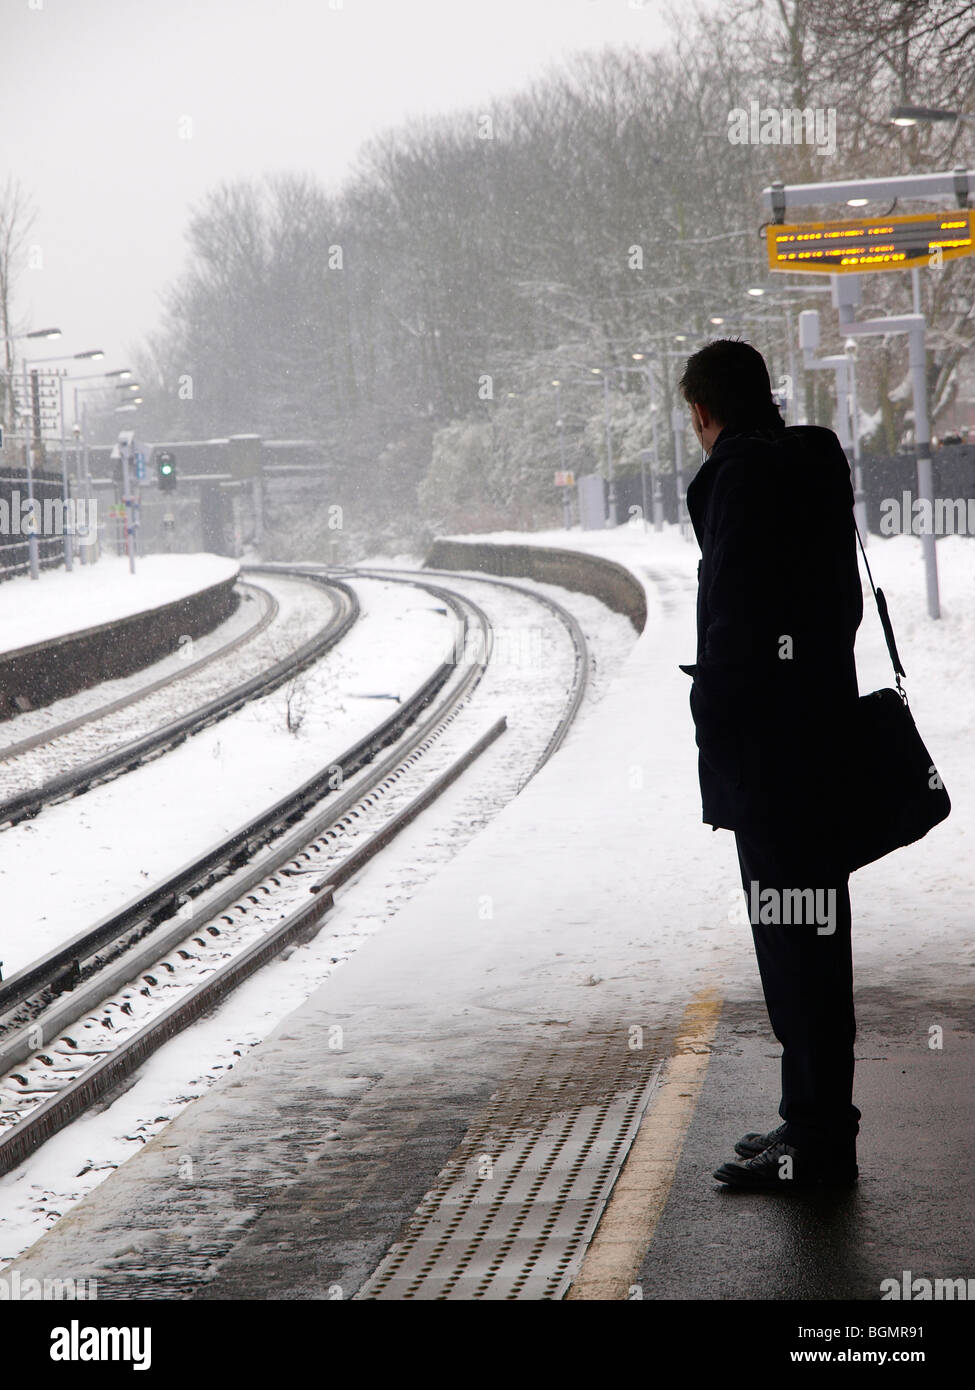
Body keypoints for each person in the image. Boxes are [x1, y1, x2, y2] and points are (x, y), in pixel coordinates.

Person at [679, 339, 863, 1189]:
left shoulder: (739, 480)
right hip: (822, 739)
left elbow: (733, 624)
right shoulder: (811, 466)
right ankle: (812, 1123)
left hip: (771, 760)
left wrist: (712, 712)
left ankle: (818, 1147)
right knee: (815, 942)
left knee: (793, 949)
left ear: (704, 412)